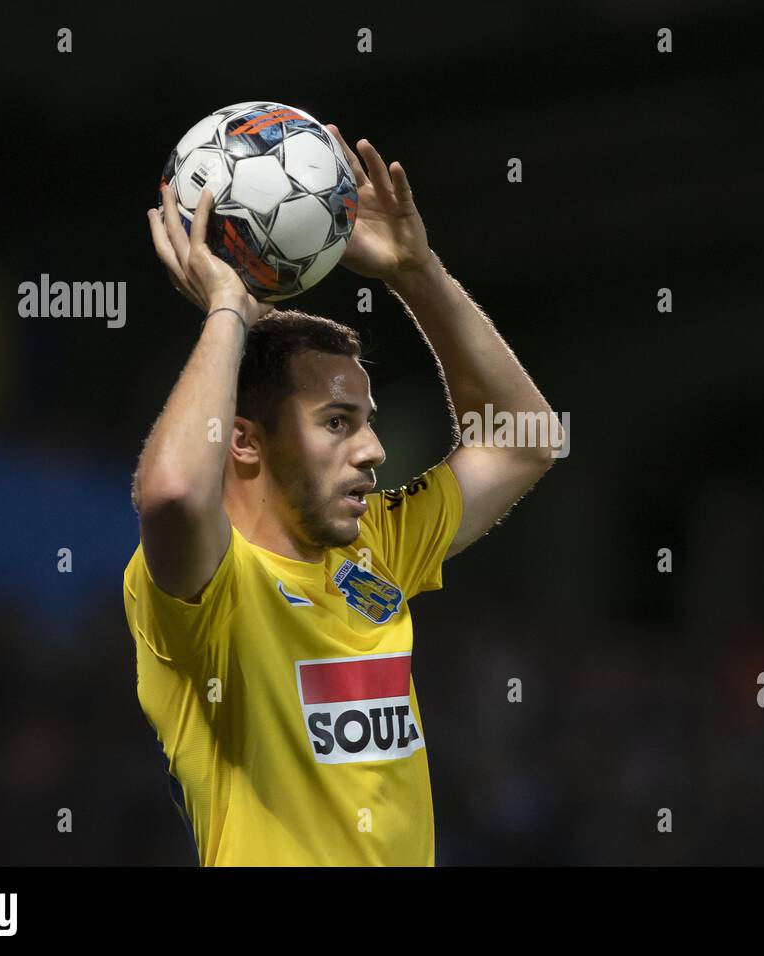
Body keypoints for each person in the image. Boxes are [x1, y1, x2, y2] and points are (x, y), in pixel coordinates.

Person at [122, 124, 558, 865]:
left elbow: (524, 439)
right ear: (246, 440)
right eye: (336, 423)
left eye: (366, 423)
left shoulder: (373, 549)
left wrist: (415, 273)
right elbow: (169, 494)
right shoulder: (210, 587)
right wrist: (228, 307)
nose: (373, 450)